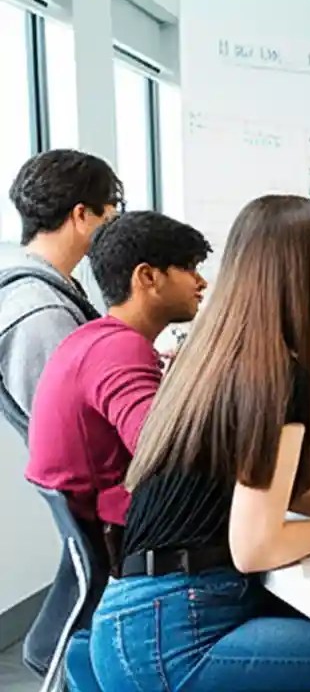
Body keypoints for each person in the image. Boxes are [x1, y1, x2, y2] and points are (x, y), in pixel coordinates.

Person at [77, 195, 310, 691]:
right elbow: (256, 547)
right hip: (175, 638)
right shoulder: (280, 379)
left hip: (138, 622)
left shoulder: (210, 360)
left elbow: (253, 486)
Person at [27, 211, 210, 554]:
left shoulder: (95, 338)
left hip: (110, 524)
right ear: (148, 277)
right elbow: (165, 453)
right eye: (189, 269)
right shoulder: (120, 348)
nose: (202, 283)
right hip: (125, 538)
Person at [1, 149, 122, 440]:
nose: (116, 222)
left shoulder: (54, 287)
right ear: (81, 214)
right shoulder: (41, 310)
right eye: (110, 210)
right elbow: (72, 429)